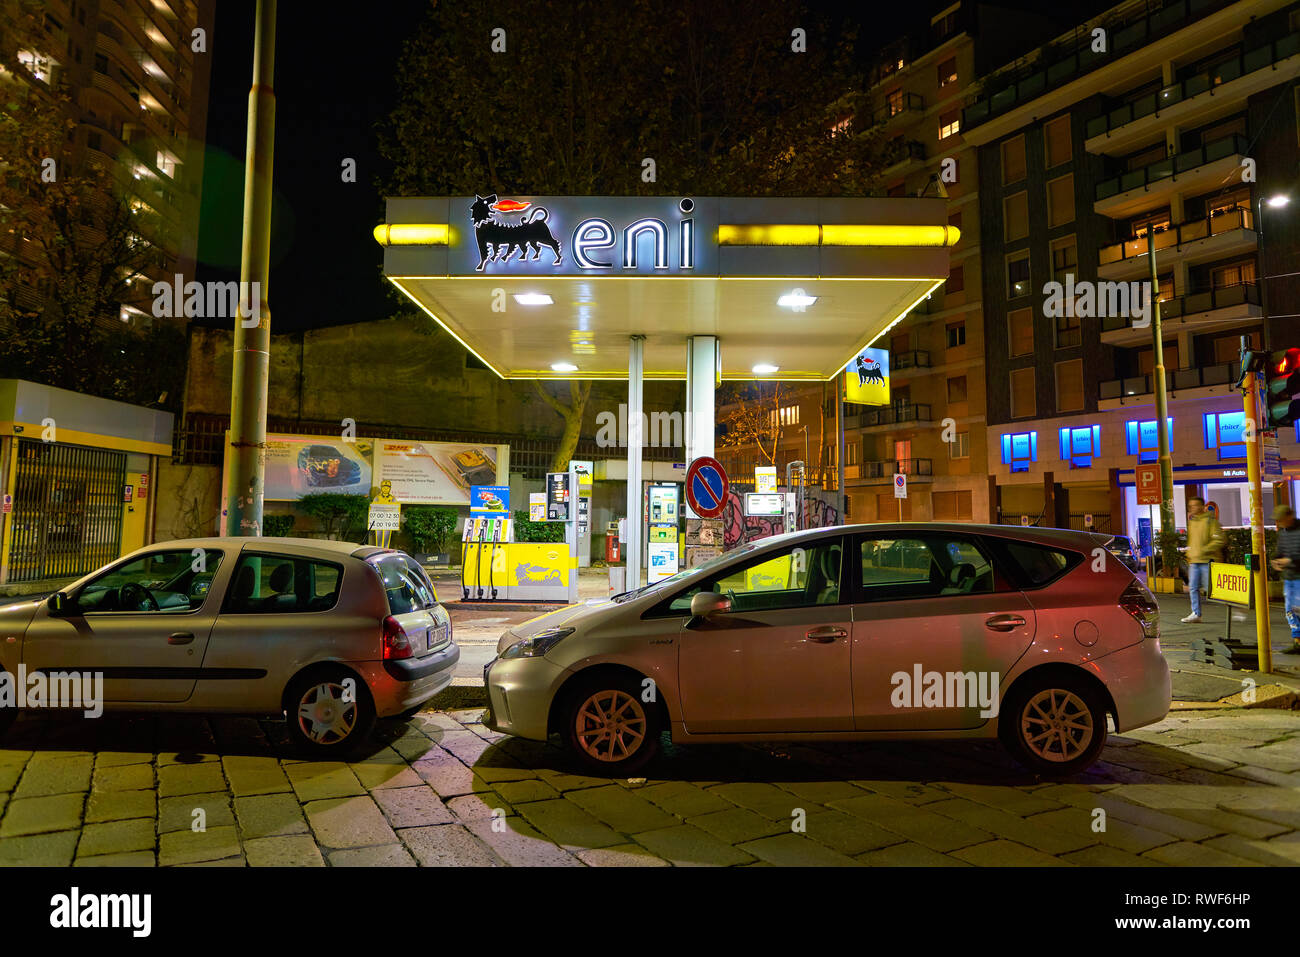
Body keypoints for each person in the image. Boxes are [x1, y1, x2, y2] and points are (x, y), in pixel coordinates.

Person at [1181, 496, 1224, 623]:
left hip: (1207, 560)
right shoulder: (1192, 522)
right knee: (1193, 588)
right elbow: (1192, 541)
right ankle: (1196, 613)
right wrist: (1190, 552)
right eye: (1190, 506)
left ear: (1201, 506)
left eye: (1194, 505)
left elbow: (1219, 539)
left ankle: (1234, 609)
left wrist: (1204, 549)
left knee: (1212, 589)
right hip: (1194, 561)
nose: (1192, 508)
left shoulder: (1211, 521)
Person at [1270, 505, 1300, 654]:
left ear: (1289, 517)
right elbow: (1279, 552)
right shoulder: (1283, 533)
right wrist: (1275, 561)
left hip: (1298, 576)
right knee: (1290, 611)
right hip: (1289, 577)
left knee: (1297, 609)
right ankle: (1297, 641)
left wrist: (1290, 561)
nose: (1278, 523)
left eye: (1280, 520)